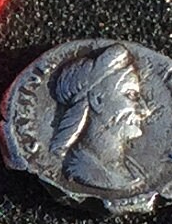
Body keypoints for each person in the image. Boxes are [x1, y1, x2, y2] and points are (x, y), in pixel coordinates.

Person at [49, 44, 158, 194]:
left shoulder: (132, 169)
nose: (145, 110)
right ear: (97, 100)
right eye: (131, 95)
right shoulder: (82, 168)